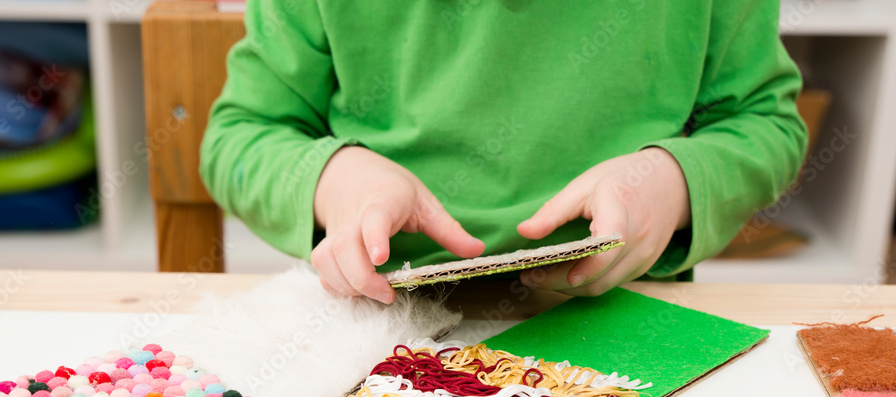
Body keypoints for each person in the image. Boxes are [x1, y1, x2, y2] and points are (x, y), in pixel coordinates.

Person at [201, 1, 807, 303]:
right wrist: (335, 180)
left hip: (625, 316)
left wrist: (672, 182)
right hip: (381, 317)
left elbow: (763, 123)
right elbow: (241, 135)